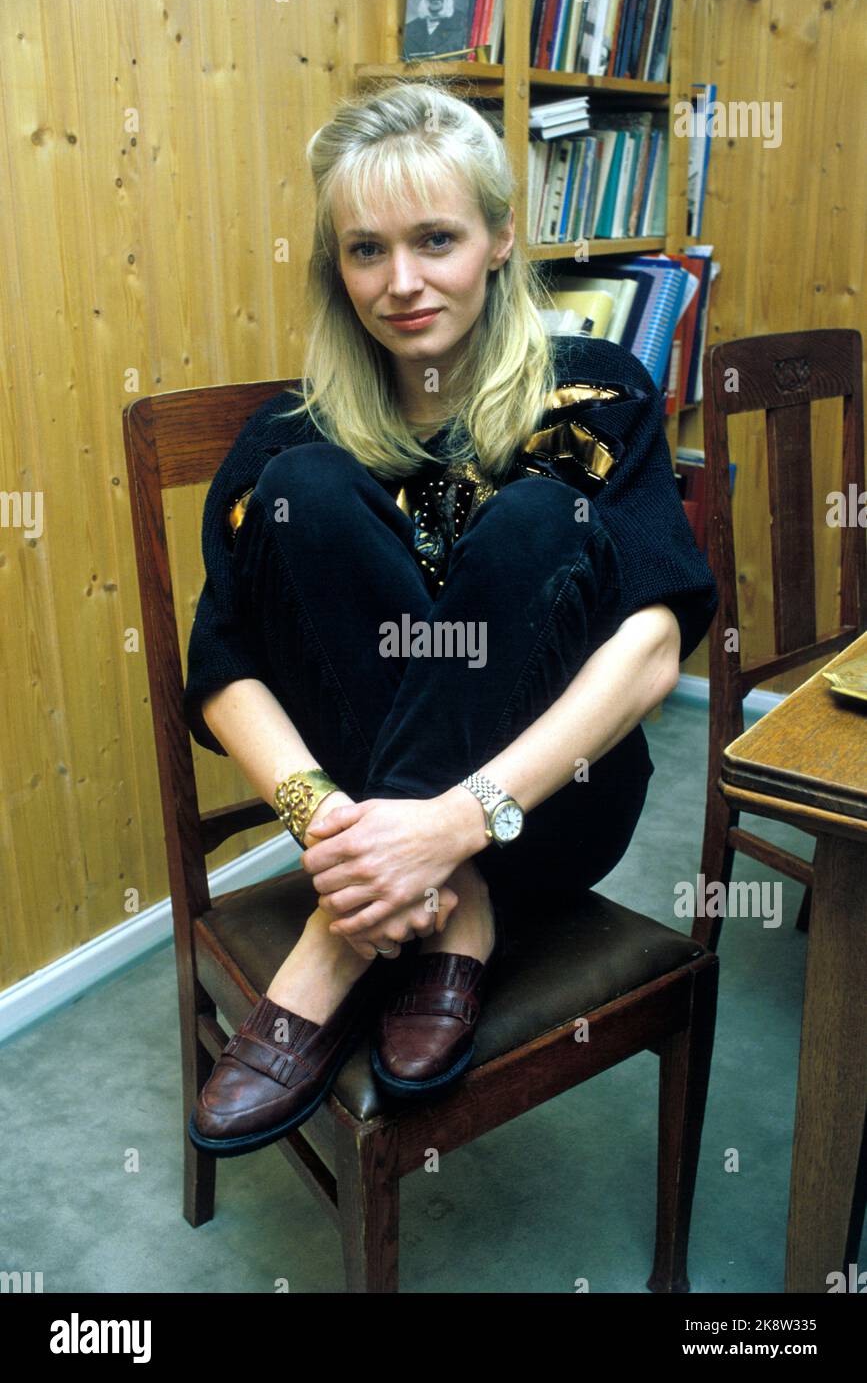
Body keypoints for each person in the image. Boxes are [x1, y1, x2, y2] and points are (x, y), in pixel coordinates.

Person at [185, 79, 718, 1158]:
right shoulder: (285, 439)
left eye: (436, 238)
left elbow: (654, 644)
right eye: (366, 250)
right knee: (310, 490)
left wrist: (450, 828)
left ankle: (339, 948)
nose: (403, 282)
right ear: (336, 267)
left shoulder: (597, 393)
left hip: (546, 811)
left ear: (500, 238)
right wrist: (331, 830)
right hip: (357, 822)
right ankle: (439, 908)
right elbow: (224, 663)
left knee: (538, 516)